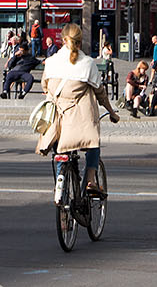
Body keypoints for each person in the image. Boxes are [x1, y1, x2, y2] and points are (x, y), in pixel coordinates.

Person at [36, 23, 119, 196]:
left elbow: (45, 85)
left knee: (62, 149)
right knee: (93, 143)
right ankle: (90, 179)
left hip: (57, 121)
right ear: (80, 41)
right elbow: (100, 93)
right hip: (80, 122)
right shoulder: (88, 64)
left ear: (62, 40)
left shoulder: (51, 62)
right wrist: (111, 112)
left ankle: (61, 177)